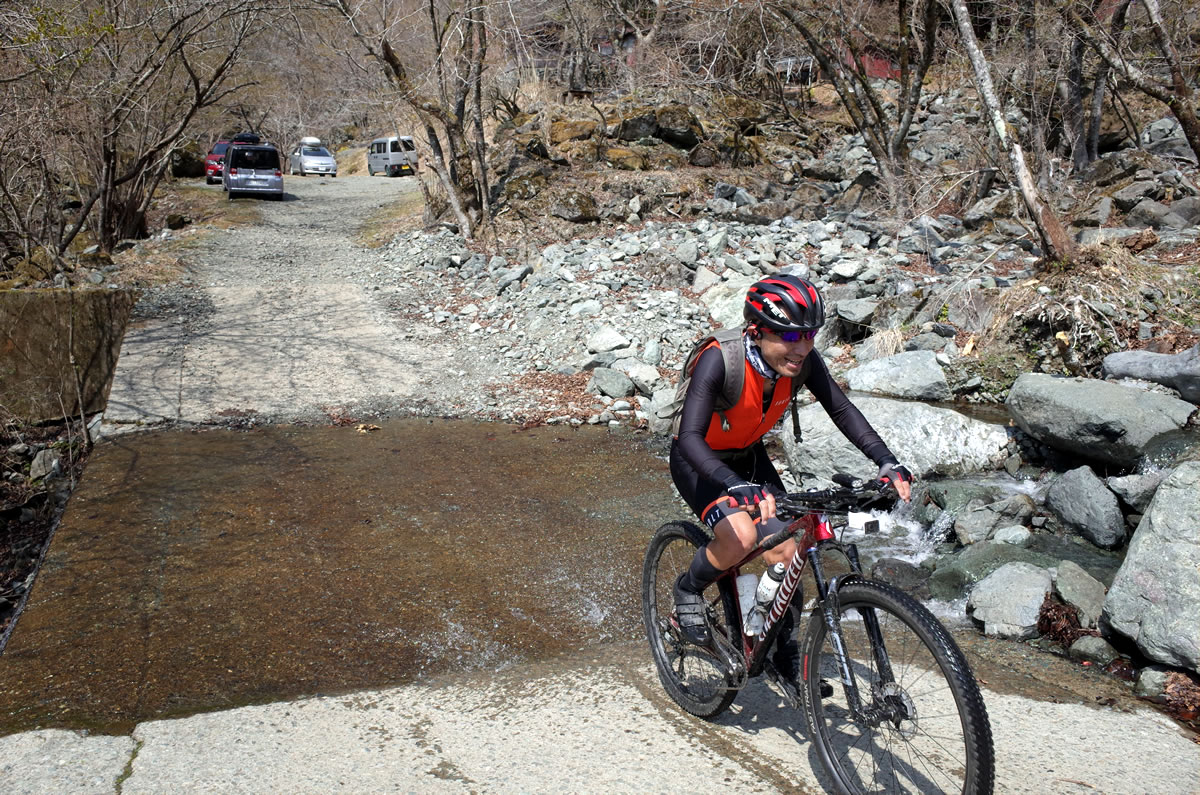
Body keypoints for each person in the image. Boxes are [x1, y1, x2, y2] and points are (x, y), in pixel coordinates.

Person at [669, 274, 911, 692]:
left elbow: (841, 408)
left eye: (811, 335)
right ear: (756, 331)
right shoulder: (719, 359)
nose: (802, 347)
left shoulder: (801, 362)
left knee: (789, 547)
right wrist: (732, 485)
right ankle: (688, 590)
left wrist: (886, 462)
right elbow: (689, 436)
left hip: (748, 454)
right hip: (700, 460)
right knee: (742, 536)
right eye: (790, 335)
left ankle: (780, 651)